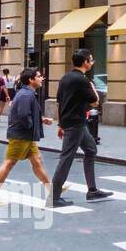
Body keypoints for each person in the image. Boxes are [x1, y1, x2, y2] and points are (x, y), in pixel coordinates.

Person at [49, 50, 111, 207]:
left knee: (91, 150)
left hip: (74, 123)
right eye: (91, 60)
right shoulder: (83, 80)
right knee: (66, 158)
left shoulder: (65, 77)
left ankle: (92, 190)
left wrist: (61, 124)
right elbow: (95, 101)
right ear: (85, 62)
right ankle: (54, 197)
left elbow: (60, 103)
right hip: (76, 123)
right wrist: (92, 86)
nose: (92, 62)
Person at [0, 69, 53, 207]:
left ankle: (52, 190)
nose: (42, 79)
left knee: (37, 161)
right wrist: (32, 125)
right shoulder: (26, 95)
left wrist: (41, 119)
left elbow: (26, 113)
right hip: (21, 135)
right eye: (39, 77)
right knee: (9, 163)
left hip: (25, 135)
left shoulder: (26, 93)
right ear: (31, 80)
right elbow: (23, 115)